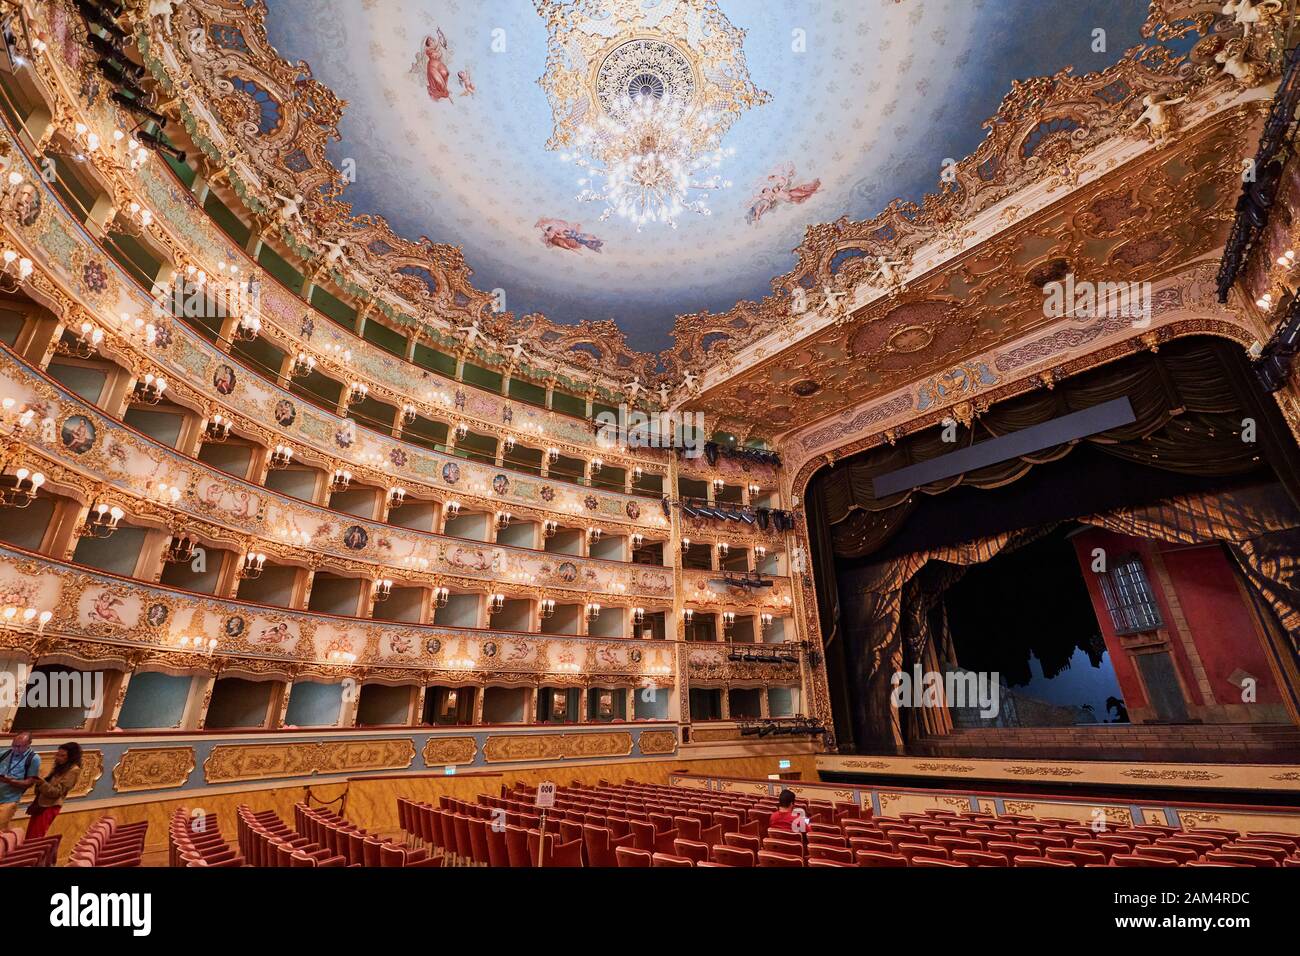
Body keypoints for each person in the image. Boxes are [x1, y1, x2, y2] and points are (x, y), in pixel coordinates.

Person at [25, 742, 80, 839]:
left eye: (62, 755)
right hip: (41, 803)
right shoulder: (60, 767)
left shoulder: (73, 770)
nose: (58, 757)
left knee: (36, 836)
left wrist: (42, 783)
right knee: (30, 834)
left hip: (50, 806)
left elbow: (58, 792)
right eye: (57, 754)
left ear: (70, 757)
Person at [0, 732, 41, 831]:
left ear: (28, 745)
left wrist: (10, 781)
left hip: (9, 800)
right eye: (13, 745)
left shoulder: (34, 759)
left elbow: (29, 783)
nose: (15, 749)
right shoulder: (4, 754)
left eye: (19, 746)